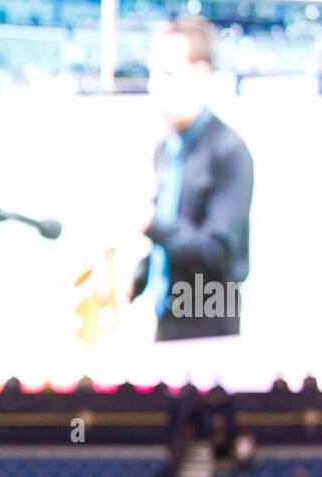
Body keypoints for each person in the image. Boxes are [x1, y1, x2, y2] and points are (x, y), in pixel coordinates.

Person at [129, 17, 253, 341]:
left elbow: (217, 257)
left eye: (168, 73)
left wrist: (150, 223)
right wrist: (136, 280)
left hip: (210, 331)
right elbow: (171, 240)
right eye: (153, 73)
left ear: (201, 75)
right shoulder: (165, 149)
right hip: (167, 322)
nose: (155, 85)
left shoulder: (230, 153)